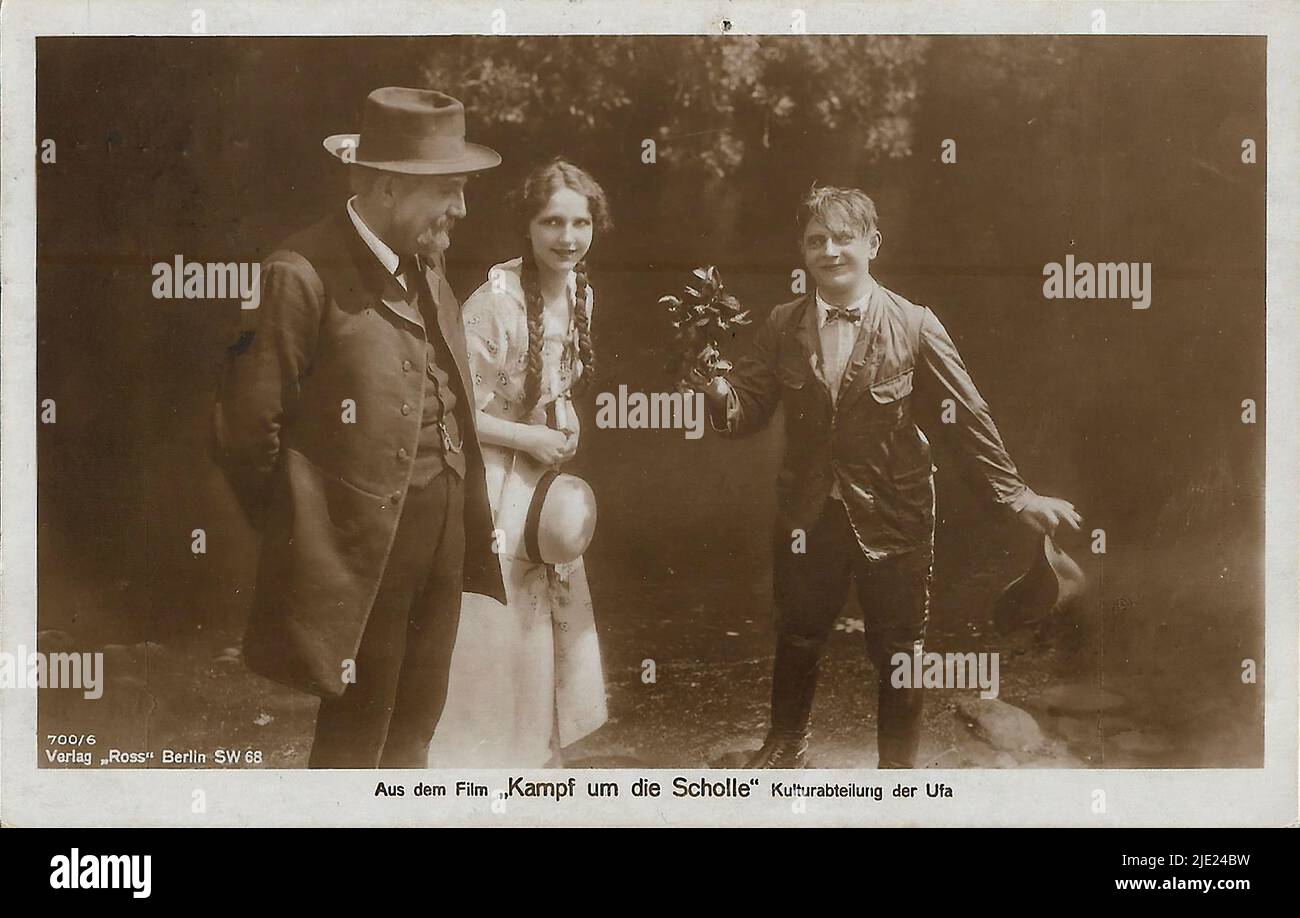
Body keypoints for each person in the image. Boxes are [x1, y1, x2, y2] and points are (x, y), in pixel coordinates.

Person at [698, 185, 1081, 768]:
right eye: (816, 240)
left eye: (843, 238)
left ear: (872, 244)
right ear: (802, 253)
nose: (830, 251)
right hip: (807, 513)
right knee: (799, 633)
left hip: (896, 516)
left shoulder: (914, 324)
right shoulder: (781, 325)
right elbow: (744, 414)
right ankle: (784, 746)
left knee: (900, 649)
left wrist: (1016, 494)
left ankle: (896, 775)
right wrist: (717, 390)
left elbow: (966, 419)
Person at [212, 87, 506, 768]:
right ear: (384, 188)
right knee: (352, 737)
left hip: (444, 538)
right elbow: (247, 432)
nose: (462, 210)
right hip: (360, 550)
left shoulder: (425, 260)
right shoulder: (299, 273)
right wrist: (312, 534)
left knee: (416, 730)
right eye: (449, 191)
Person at [426, 158, 610, 767]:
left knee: (540, 611)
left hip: (539, 481)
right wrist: (529, 441)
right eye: (551, 221)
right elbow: (452, 411)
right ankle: (476, 761)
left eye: (580, 222)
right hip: (487, 474)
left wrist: (564, 417)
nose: (567, 237)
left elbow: (555, 383)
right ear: (527, 227)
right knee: (493, 616)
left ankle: (534, 752)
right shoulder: (494, 301)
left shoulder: (582, 291)